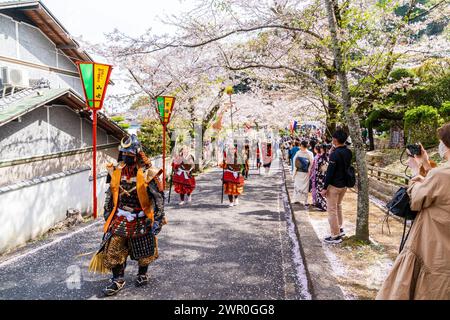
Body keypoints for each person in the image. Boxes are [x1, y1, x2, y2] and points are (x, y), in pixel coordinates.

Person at [377, 123, 450, 300]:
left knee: (425, 289)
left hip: (431, 247)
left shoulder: (441, 175)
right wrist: (426, 163)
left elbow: (417, 200)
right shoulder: (440, 174)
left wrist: (417, 173)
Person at [90, 135, 166, 297]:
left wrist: (158, 220)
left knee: (145, 249)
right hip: (120, 217)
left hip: (142, 218)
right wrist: (107, 214)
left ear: (137, 154)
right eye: (124, 154)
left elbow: (158, 198)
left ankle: (142, 273)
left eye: (130, 155)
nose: (126, 157)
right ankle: (118, 279)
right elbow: (111, 194)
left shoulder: (148, 173)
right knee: (113, 248)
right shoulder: (115, 171)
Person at [321, 130, 352, 244]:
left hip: (334, 185)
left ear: (335, 140)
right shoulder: (348, 152)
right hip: (344, 185)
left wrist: (325, 188)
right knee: (338, 206)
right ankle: (339, 228)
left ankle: (335, 235)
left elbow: (330, 172)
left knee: (332, 210)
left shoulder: (335, 154)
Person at [292, 141, 314, 208]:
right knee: (303, 185)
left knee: (299, 185)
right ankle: (303, 200)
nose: (300, 146)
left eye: (300, 145)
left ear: (302, 145)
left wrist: (296, 167)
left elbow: (294, 160)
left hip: (300, 171)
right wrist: (309, 169)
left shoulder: (299, 153)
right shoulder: (309, 153)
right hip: (304, 171)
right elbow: (312, 162)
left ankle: (299, 199)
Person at [314, 144, 329, 211]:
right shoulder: (327, 157)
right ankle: (322, 205)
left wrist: (317, 172)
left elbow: (318, 167)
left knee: (320, 191)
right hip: (325, 175)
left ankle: (324, 206)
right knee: (321, 190)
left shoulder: (321, 158)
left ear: (322, 149)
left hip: (320, 175)